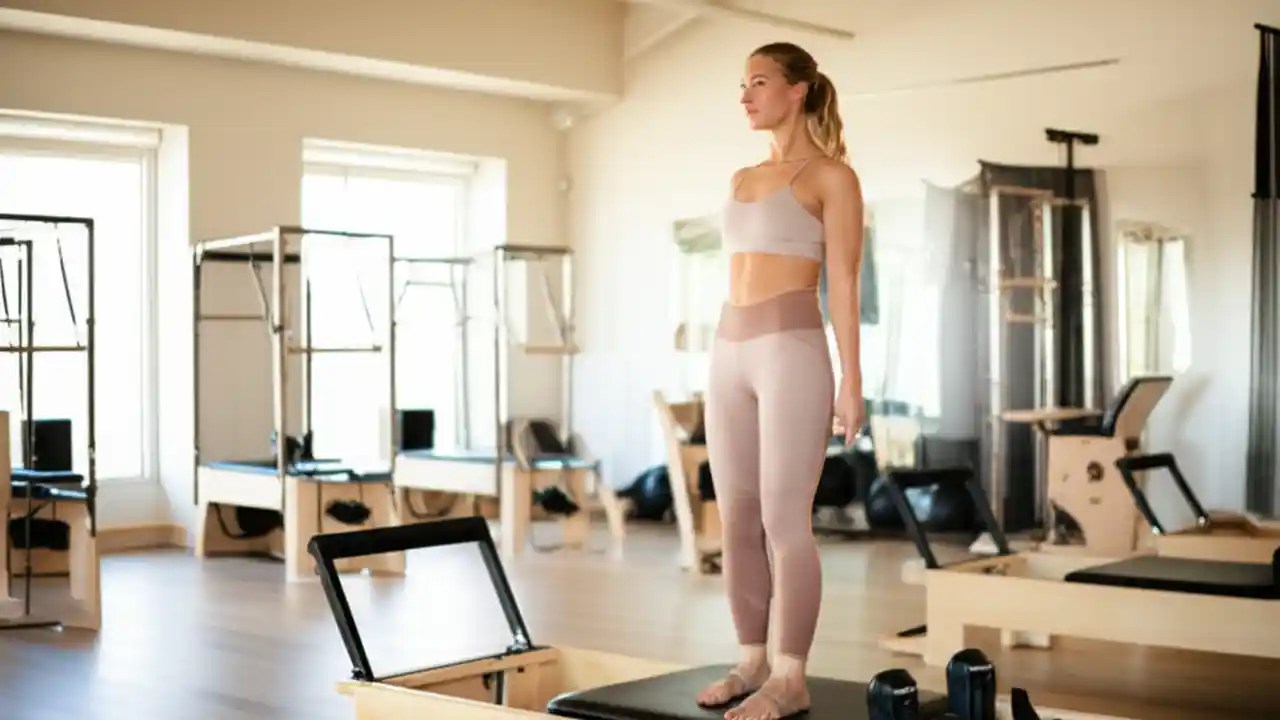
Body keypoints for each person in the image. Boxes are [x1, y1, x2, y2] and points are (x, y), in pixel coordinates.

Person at [694, 41, 865, 720]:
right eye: (742, 83)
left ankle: (791, 677)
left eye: (758, 82)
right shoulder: (740, 178)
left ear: (797, 90)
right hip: (728, 349)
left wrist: (852, 381)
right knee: (733, 517)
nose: (745, 95)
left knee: (782, 520)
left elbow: (846, 283)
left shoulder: (832, 178)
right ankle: (749, 661)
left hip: (792, 350)